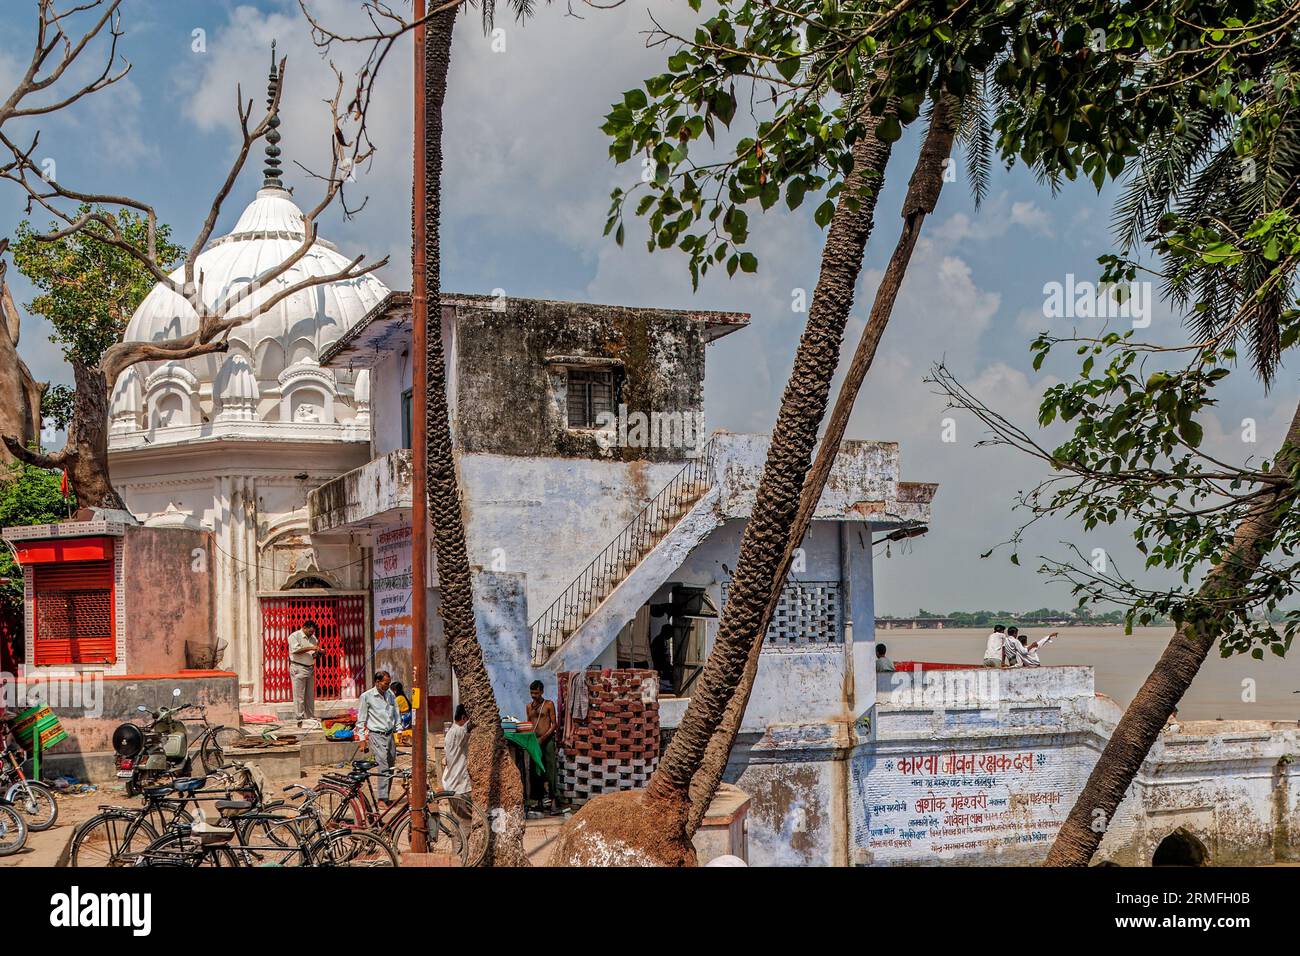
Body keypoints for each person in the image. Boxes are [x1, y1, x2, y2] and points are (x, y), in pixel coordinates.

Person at [356, 670, 401, 806]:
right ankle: (382, 798)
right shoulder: (366, 696)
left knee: (391, 764)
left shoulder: (390, 695)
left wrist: (399, 730)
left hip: (389, 735)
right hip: (376, 735)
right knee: (383, 765)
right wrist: (362, 739)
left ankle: (386, 796)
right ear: (377, 682)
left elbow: (396, 713)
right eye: (385, 683)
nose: (387, 686)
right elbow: (361, 720)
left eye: (388, 683)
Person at [527, 679, 559, 812]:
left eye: (536, 693)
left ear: (542, 692)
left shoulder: (549, 704)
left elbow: (554, 724)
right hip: (535, 743)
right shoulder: (529, 707)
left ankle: (553, 801)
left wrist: (544, 737)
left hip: (548, 742)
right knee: (535, 772)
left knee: (550, 770)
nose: (534, 695)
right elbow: (529, 725)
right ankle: (539, 801)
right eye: (532, 693)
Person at [287, 619, 319, 725]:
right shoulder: (294, 636)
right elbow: (295, 650)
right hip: (298, 667)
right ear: (304, 628)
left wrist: (319, 652)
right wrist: (310, 647)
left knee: (309, 695)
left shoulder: (313, 638)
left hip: (310, 668)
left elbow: (312, 653)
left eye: (312, 632)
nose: (311, 634)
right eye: (309, 632)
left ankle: (310, 716)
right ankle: (299, 717)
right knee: (299, 694)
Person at [442, 704, 470, 795]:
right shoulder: (460, 732)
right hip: (459, 785)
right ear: (463, 717)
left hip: (450, 782)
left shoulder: (451, 731)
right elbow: (468, 731)